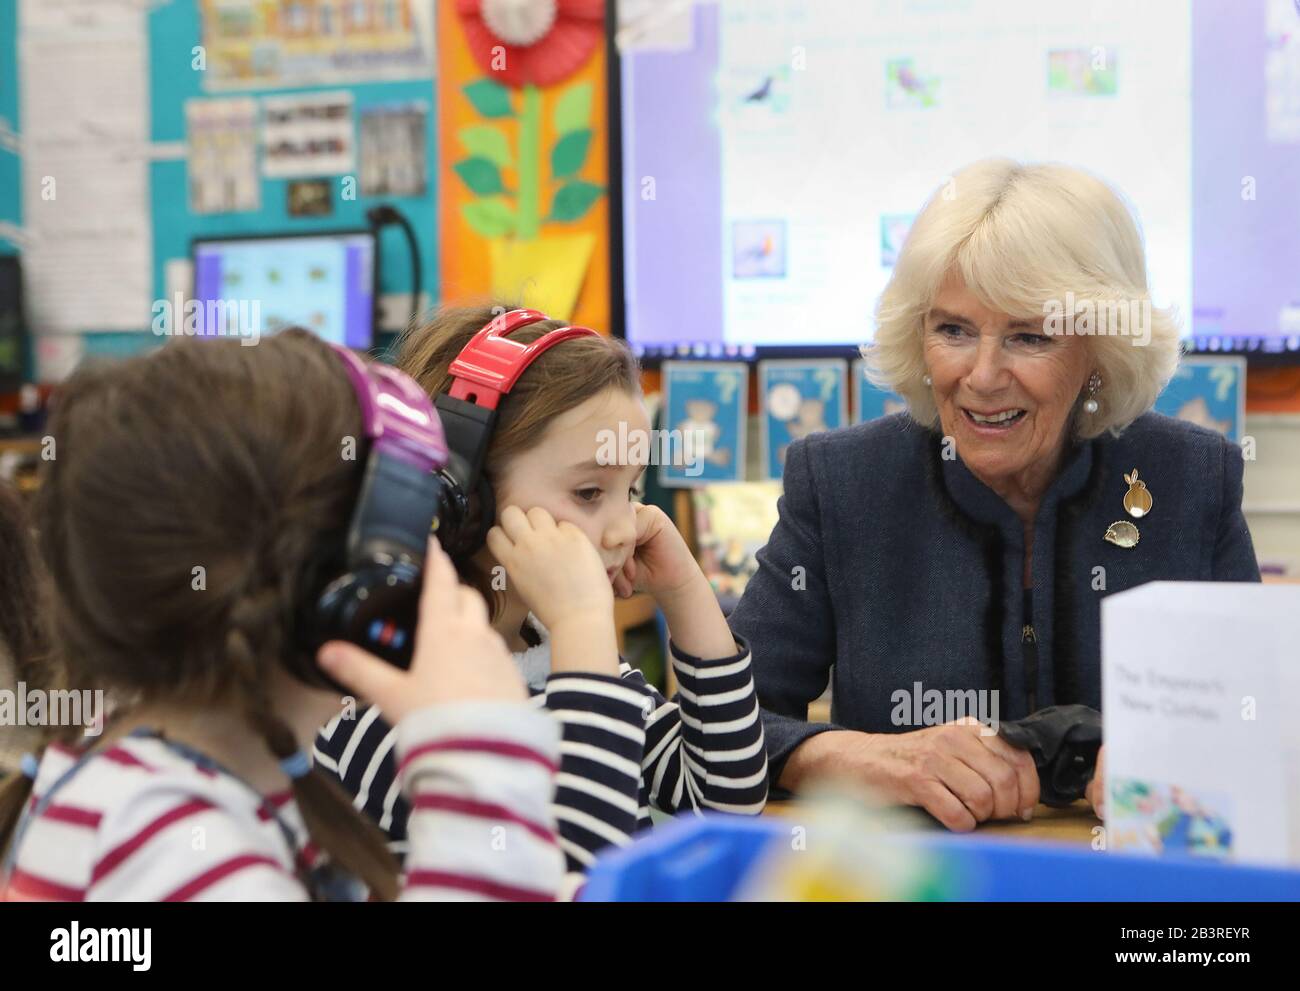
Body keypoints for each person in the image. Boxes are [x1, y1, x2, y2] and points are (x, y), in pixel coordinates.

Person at [729, 159, 1259, 831]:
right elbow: (721, 726)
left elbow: (1261, 720)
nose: (981, 376)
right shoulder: (840, 482)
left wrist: (1186, 755)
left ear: (1099, 350)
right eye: (952, 329)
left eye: (1029, 336)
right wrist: (868, 759)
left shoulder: (1192, 477)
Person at [0, 331, 563, 901]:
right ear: (353, 576)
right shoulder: (172, 842)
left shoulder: (184, 788)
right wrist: (481, 760)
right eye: (419, 534)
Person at [315, 304, 768, 886]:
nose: (624, 527)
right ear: (462, 498)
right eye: (587, 491)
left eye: (630, 489)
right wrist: (582, 627)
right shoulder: (396, 693)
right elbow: (569, 880)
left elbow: (725, 802)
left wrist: (684, 592)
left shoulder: (554, 651)